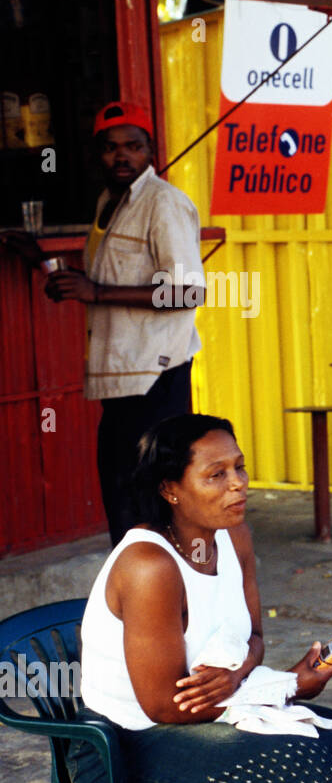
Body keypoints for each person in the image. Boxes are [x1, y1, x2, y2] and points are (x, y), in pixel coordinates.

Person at [70, 414, 332, 783]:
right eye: (216, 475)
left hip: (203, 713)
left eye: (239, 467)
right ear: (170, 490)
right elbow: (166, 706)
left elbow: (254, 638)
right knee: (303, 776)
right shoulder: (150, 567)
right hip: (123, 745)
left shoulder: (233, 535)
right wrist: (287, 686)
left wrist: (243, 678)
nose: (237, 484)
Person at [41, 101, 206, 546]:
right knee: (124, 504)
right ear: (98, 152)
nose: (122, 156)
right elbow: (111, 280)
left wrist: (95, 292)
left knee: (154, 508)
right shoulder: (108, 203)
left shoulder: (165, 204)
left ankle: (170, 608)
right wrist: (72, 282)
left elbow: (189, 291)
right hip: (119, 382)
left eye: (133, 146)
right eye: (112, 147)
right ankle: (139, 608)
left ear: (150, 150)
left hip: (157, 379)